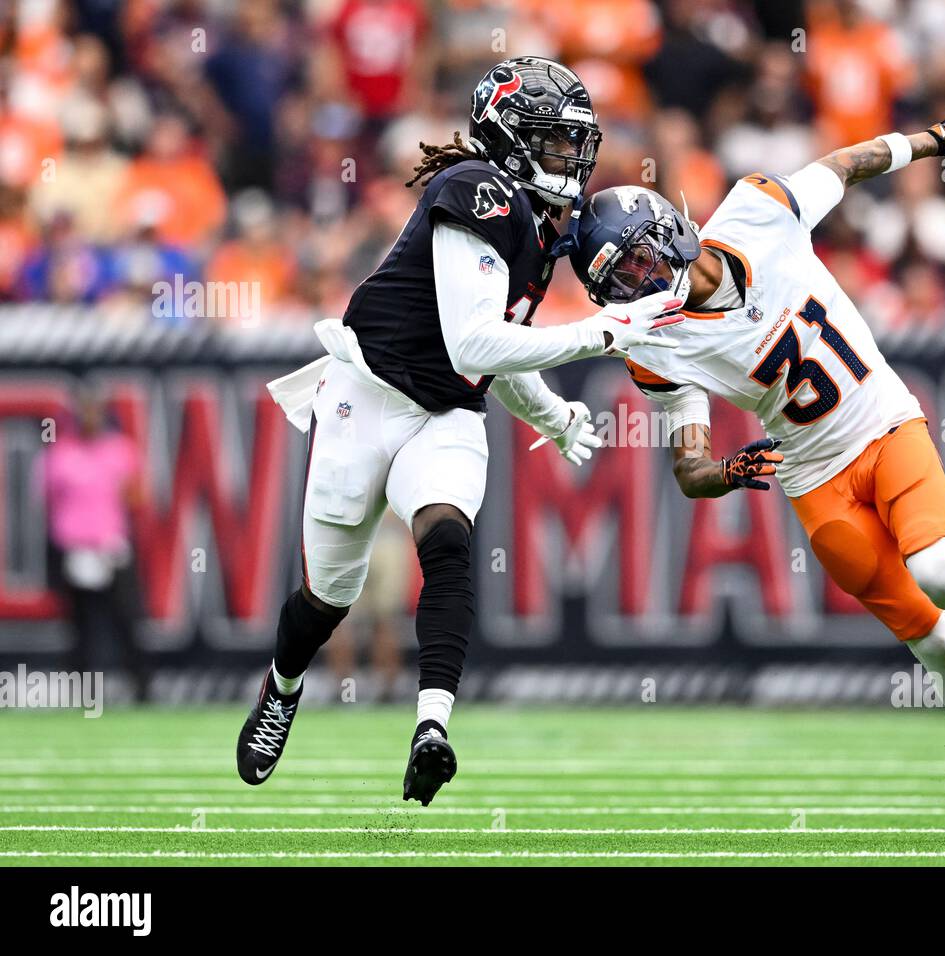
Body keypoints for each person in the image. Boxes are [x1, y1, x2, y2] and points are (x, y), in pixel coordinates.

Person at [564, 116, 945, 843]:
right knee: (935, 651)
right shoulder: (657, 346)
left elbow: (848, 162)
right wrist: (726, 471)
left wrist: (936, 139)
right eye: (616, 285)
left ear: (663, 231)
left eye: (631, 266)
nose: (634, 288)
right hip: (815, 479)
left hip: (883, 424)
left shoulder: (757, 209)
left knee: (941, 569)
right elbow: (687, 468)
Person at [238, 56, 683, 804]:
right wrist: (607, 331)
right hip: (366, 396)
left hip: (445, 411)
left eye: (576, 143)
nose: (571, 159)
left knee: (446, 538)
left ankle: (431, 726)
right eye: (553, 142)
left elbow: (493, 358)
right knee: (328, 597)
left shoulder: (540, 226)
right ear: (508, 139)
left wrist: (552, 412)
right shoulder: (474, 192)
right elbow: (475, 342)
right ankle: (282, 689)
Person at [39, 387, 147, 698]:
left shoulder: (119, 450)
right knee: (81, 624)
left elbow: (137, 496)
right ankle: (83, 693)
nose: (89, 418)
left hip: (111, 547)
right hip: (74, 549)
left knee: (126, 619)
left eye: (94, 411)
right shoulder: (60, 453)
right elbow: (48, 500)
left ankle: (142, 689)